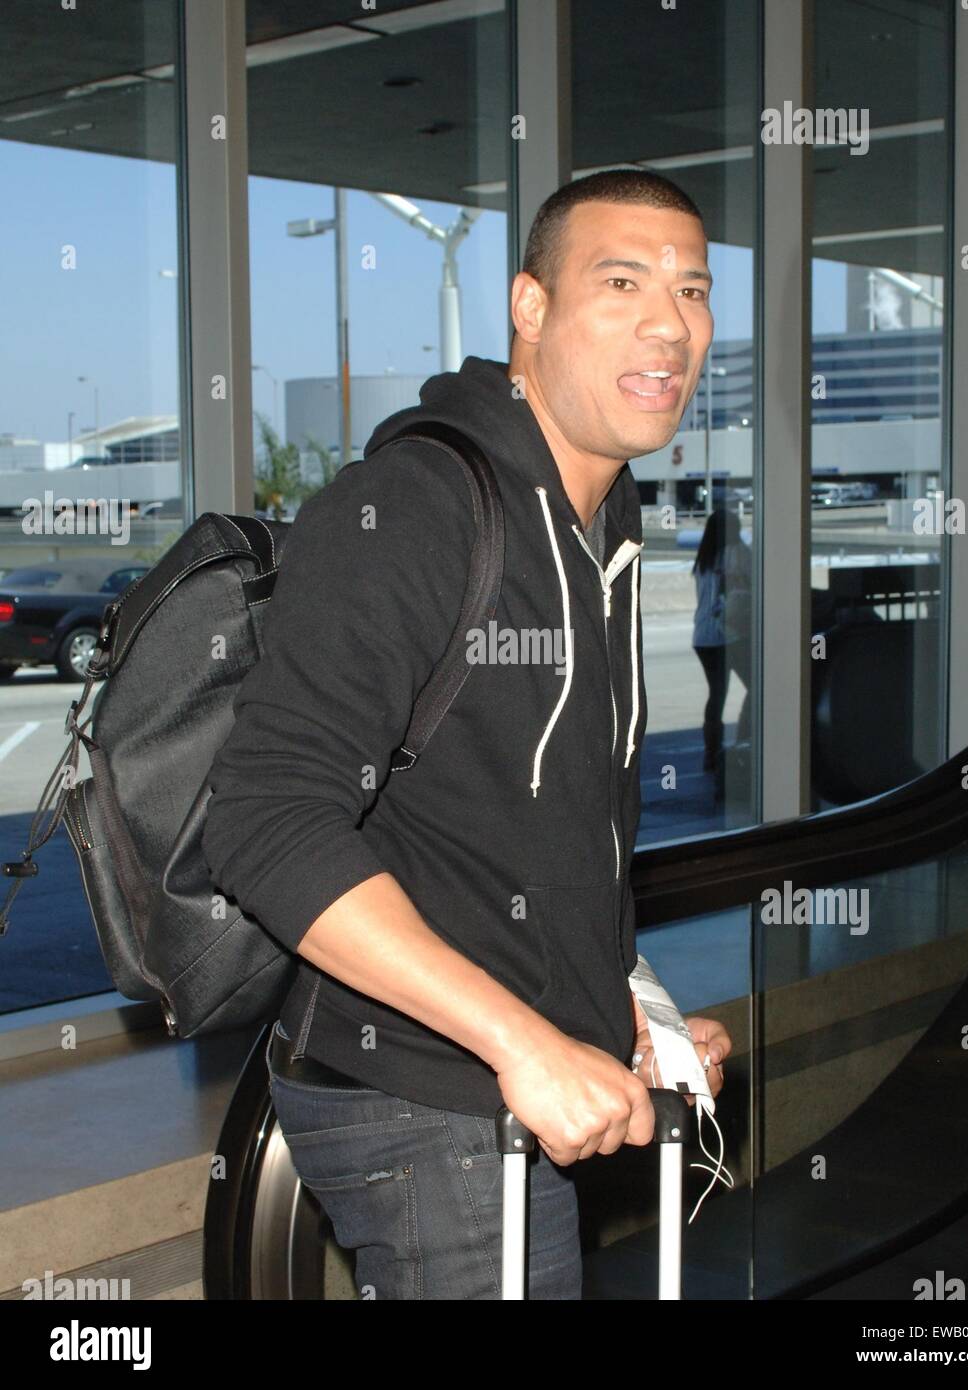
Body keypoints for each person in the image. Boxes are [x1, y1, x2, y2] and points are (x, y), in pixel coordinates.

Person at [201, 167, 732, 1300]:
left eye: (693, 291)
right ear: (528, 308)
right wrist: (525, 1043)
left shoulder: (605, 519)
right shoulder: (419, 506)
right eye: (624, 280)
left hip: (500, 1084)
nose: (667, 323)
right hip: (421, 1107)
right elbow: (265, 819)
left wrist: (625, 1009)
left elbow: (531, 828)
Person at [692, 506, 752, 777]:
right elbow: (751, 585)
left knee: (716, 695)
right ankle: (745, 742)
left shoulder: (703, 559)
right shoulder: (737, 554)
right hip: (729, 635)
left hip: (703, 637)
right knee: (757, 688)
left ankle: (710, 754)